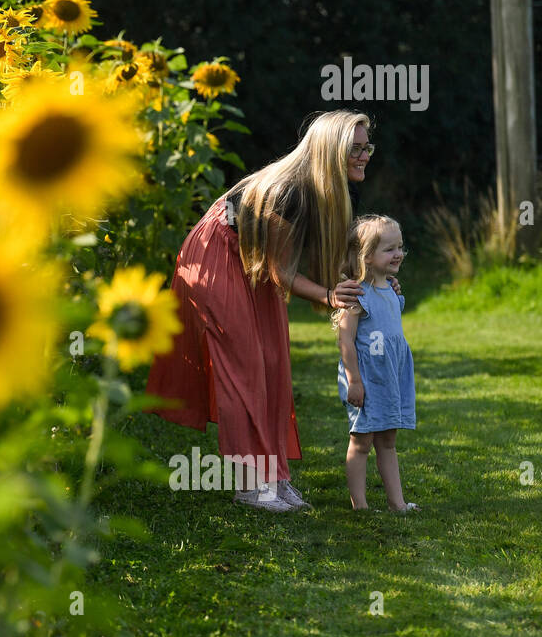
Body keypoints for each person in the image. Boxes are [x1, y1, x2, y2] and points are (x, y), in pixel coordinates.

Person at [144, 109, 401, 512]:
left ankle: (274, 477)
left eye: (366, 146)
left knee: (273, 365)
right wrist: (331, 297)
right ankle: (251, 485)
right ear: (329, 150)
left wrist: (375, 285)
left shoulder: (325, 190)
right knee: (245, 366)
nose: (364, 155)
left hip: (252, 259)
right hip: (218, 253)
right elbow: (282, 272)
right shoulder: (290, 192)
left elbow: (322, 261)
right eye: (354, 148)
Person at [334, 215, 418, 512]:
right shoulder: (357, 294)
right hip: (368, 378)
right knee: (361, 442)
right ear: (366, 257)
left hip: (390, 378)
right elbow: (346, 341)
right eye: (389, 249)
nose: (398, 254)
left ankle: (398, 503)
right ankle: (361, 506)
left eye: (400, 247)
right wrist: (355, 380)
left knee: (388, 442)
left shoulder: (391, 290)